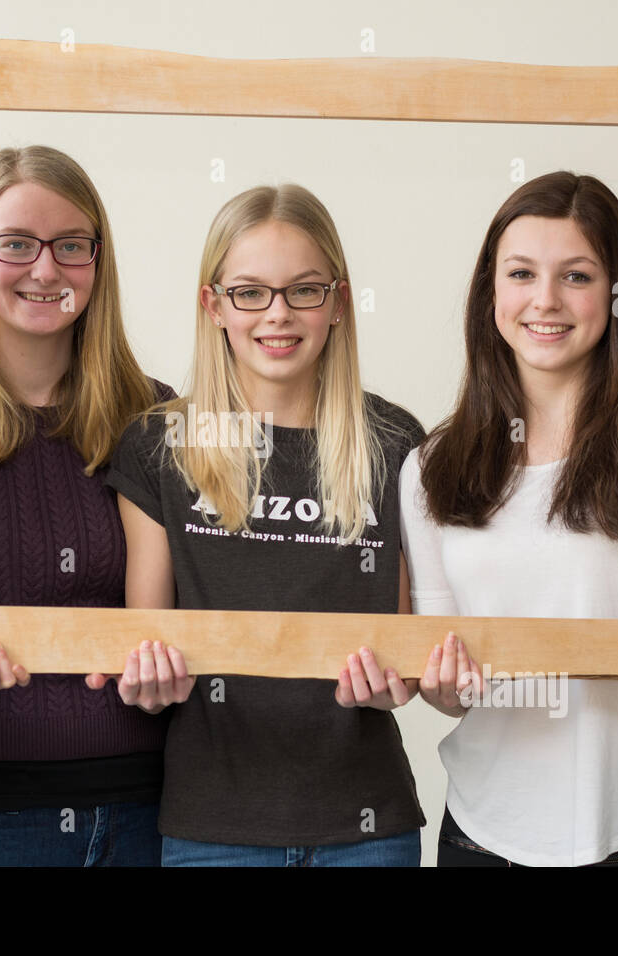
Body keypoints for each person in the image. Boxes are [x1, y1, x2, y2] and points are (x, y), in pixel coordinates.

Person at [399, 170, 618, 866]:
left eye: (577, 276)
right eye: (521, 273)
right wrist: (439, 685)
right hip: (488, 831)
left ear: (617, 293)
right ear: (490, 294)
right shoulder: (431, 469)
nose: (545, 300)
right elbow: (445, 685)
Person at [96, 183, 427, 866]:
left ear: (337, 302)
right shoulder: (159, 446)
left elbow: (405, 651)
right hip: (212, 830)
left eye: (303, 290)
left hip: (366, 829)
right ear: (213, 304)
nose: (278, 314)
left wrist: (399, 680)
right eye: (250, 292)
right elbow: (147, 644)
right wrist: (147, 683)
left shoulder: (394, 444)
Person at [0, 146, 173, 867]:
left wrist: (177, 671)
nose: (46, 270)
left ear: (98, 260)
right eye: (17, 243)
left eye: (71, 246)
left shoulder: (155, 417)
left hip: (145, 807)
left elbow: (186, 615)